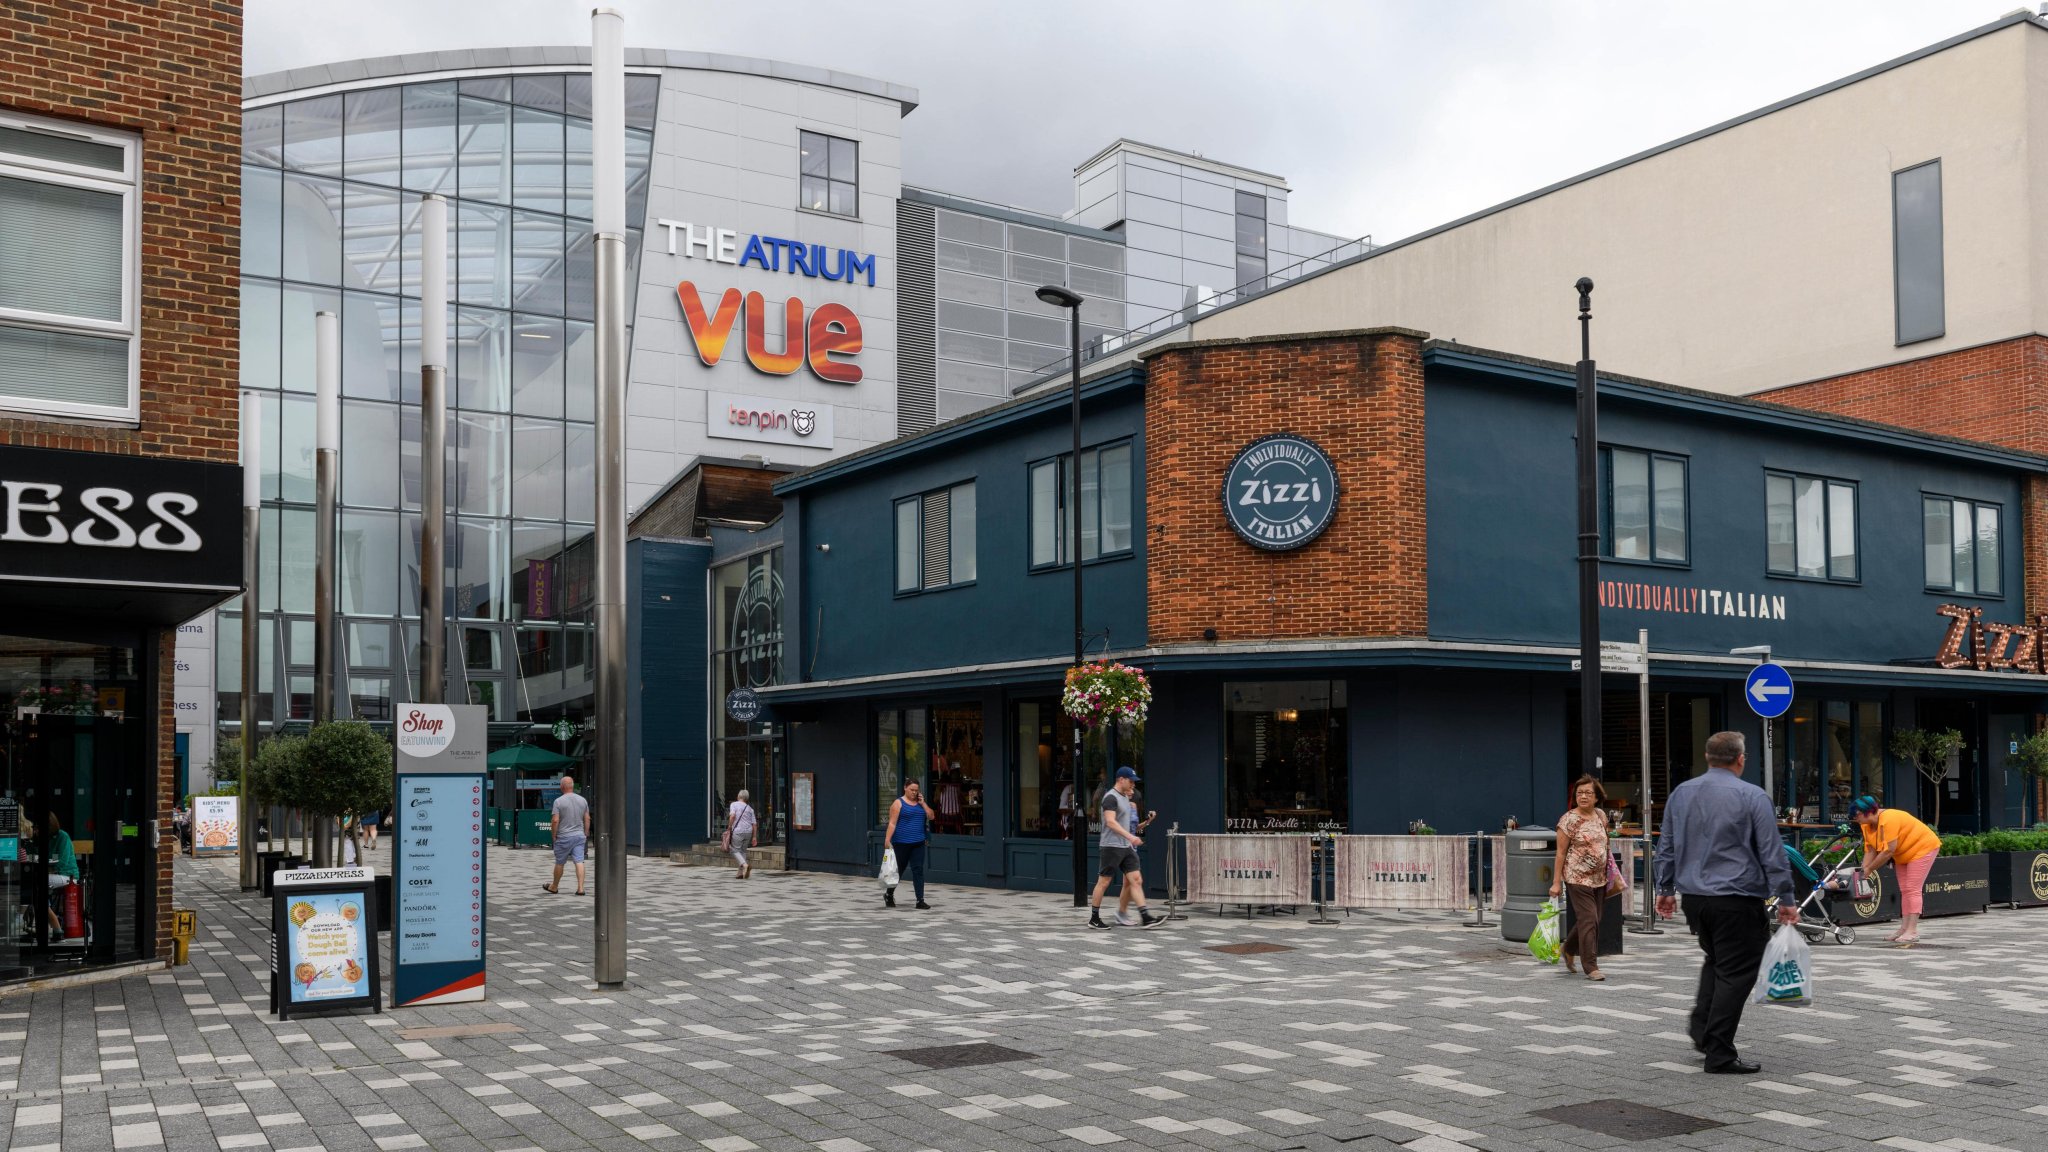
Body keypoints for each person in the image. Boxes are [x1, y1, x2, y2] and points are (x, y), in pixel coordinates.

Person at [1653, 731, 1800, 1075]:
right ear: (1741, 759)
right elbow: (1771, 852)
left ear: (1707, 757)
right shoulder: (1752, 796)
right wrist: (1787, 898)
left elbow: (1668, 844)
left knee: (1718, 960)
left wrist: (1664, 888)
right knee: (1736, 971)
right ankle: (1718, 1051)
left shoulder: (1682, 793)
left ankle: (1703, 1030)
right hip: (1737, 898)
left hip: (1696, 900)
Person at [1851, 795, 1940, 944]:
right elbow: (1870, 850)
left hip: (1923, 848)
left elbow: (1888, 851)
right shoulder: (1865, 825)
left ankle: (1912, 930)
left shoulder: (1888, 818)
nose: (1854, 818)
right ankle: (1904, 929)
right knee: (1905, 889)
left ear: (1866, 812)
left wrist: (1869, 870)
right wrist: (1863, 871)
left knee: (1912, 888)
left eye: (1857, 814)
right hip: (1903, 853)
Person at [1549, 774, 1612, 982]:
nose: (1583, 797)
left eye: (1588, 793)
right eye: (1579, 793)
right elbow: (1560, 853)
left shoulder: (1601, 815)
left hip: (1599, 878)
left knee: (1593, 919)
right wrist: (1556, 883)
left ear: (1596, 797)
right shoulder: (1568, 820)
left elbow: (1605, 844)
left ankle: (1568, 948)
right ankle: (1591, 966)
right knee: (1588, 919)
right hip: (1577, 877)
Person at [1089, 767, 1165, 930]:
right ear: (1121, 779)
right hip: (1111, 846)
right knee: (1104, 881)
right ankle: (1094, 918)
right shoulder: (1110, 797)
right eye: (1130, 781)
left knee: (1136, 880)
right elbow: (1110, 822)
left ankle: (1146, 917)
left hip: (1126, 847)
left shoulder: (1125, 798)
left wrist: (1145, 824)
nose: (1133, 784)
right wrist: (1130, 837)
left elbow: (1127, 825)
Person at [883, 780, 934, 909]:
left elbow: (931, 816)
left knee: (918, 870)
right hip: (901, 843)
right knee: (898, 871)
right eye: (912, 789)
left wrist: (923, 803)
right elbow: (892, 823)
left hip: (918, 842)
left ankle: (920, 900)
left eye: (916, 790)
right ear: (905, 788)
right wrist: (887, 839)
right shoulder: (898, 803)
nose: (914, 792)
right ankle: (889, 894)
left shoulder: (920, 803)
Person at [544, 774, 590, 895]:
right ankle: (580, 888)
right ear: (572, 786)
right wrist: (585, 833)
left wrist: (553, 835)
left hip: (564, 836)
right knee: (579, 861)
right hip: (579, 836)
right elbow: (587, 818)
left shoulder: (558, 802)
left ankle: (554, 886)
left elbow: (555, 820)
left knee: (560, 862)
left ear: (562, 787)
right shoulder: (583, 800)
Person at [42, 813, 78, 940]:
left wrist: (49, 868)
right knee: (37, 885)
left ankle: (54, 923)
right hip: (53, 873)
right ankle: (53, 923)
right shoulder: (46, 838)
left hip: (67, 875)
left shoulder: (62, 836)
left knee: (40, 883)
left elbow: (62, 862)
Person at [725, 789, 758, 879]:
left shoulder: (734, 804)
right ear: (747, 799)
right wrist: (754, 837)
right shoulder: (750, 809)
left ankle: (745, 865)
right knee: (743, 851)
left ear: (738, 796)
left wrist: (729, 827)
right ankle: (740, 873)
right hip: (748, 832)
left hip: (738, 831)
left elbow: (732, 816)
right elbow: (754, 824)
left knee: (734, 850)